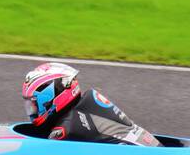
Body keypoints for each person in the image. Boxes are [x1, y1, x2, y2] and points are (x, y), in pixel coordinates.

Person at [22, 62, 160, 146]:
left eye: (34, 104)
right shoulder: (86, 104)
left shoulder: (65, 130)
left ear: (52, 97)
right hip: (148, 149)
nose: (32, 110)